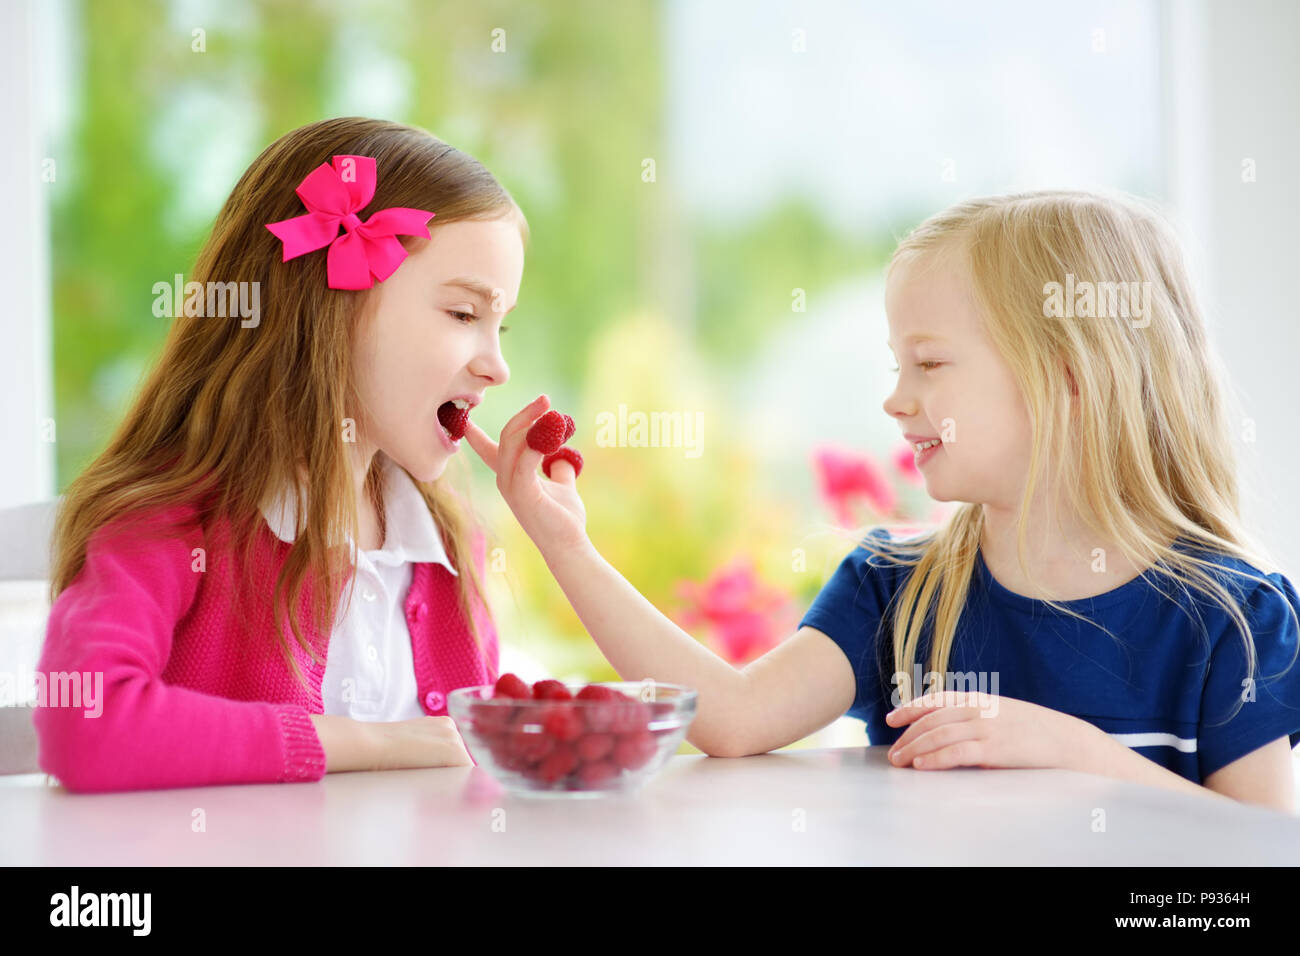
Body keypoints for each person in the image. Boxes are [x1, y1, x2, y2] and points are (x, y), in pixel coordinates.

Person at [470, 190, 1300, 813]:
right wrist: (564, 544)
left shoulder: (1238, 619)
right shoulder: (893, 586)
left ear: (1070, 381)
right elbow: (731, 720)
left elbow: (1258, 863)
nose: (896, 400)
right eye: (897, 365)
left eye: (929, 364)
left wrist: (1072, 752)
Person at [35, 116, 523, 792]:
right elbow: (85, 725)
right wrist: (375, 744)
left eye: (503, 325)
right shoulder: (171, 522)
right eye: (465, 315)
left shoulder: (447, 546)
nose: (498, 367)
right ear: (332, 308)